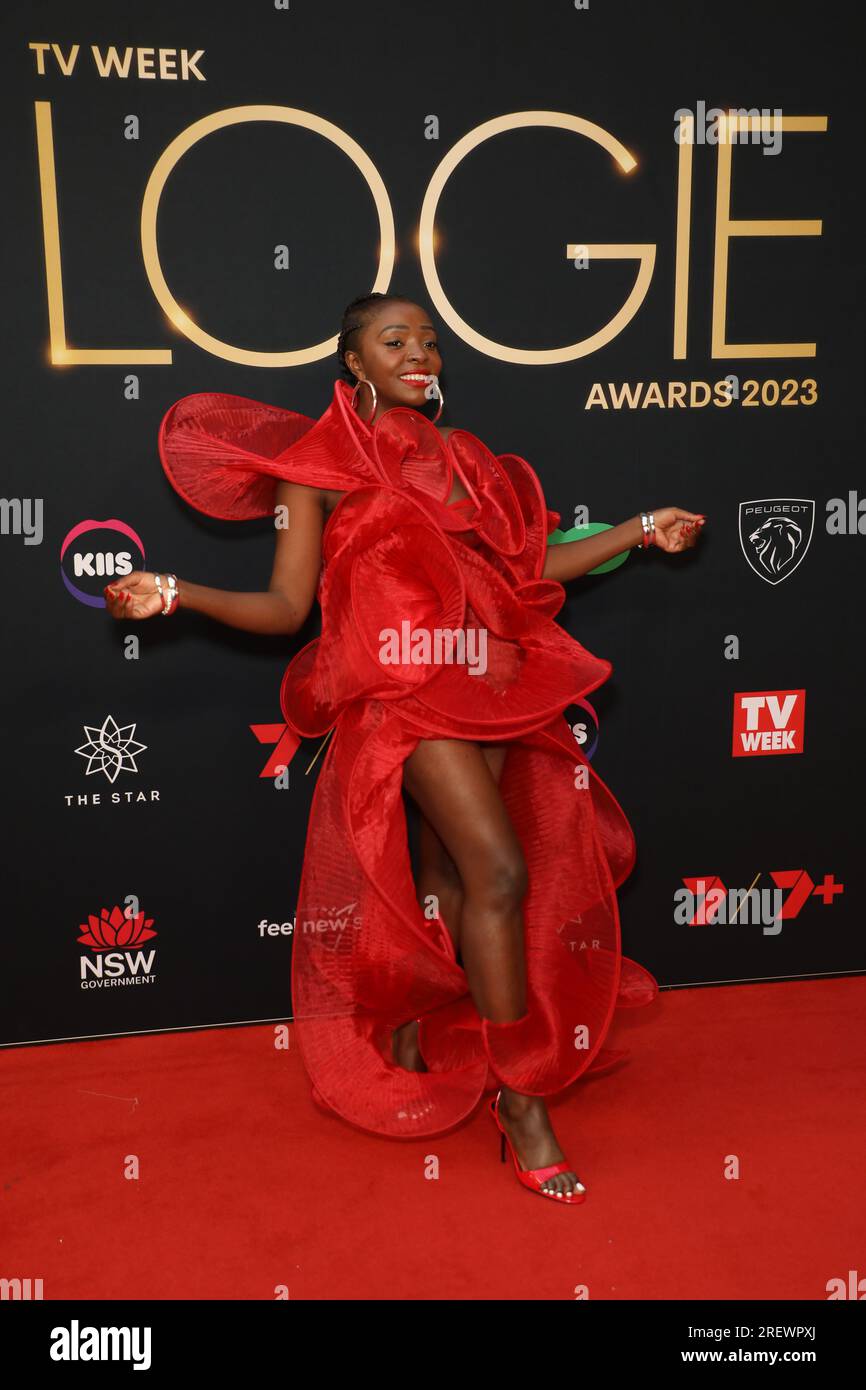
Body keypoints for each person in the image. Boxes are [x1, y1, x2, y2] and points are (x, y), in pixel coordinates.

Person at [105, 292, 705, 1205]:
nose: (420, 353)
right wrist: (178, 594)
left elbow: (526, 567)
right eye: (396, 341)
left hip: (488, 681)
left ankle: (423, 1029)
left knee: (457, 880)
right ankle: (522, 1103)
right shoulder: (315, 472)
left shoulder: (463, 458)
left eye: (429, 340)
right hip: (399, 698)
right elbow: (286, 608)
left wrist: (640, 531)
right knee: (501, 871)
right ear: (354, 363)